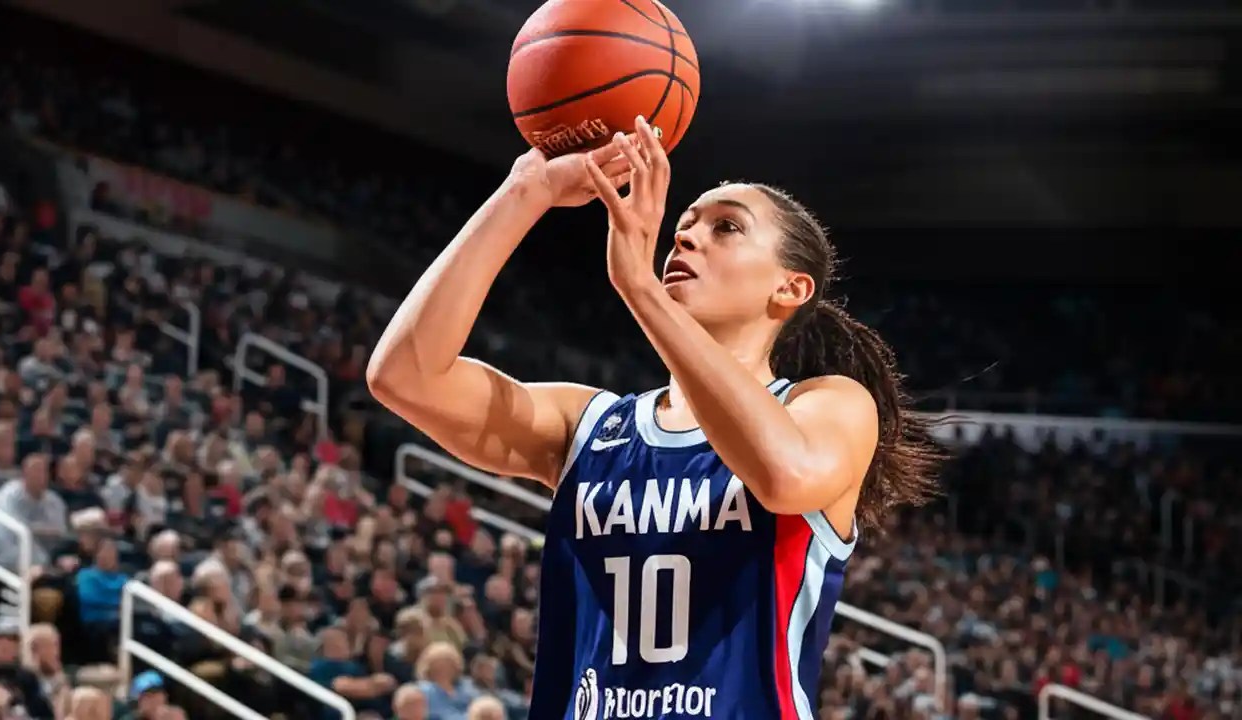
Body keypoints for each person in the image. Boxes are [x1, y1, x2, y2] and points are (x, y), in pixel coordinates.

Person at [367, 117, 943, 718]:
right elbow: (405, 375)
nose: (685, 239)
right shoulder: (589, 426)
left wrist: (640, 290)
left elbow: (785, 475)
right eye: (682, 227)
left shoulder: (830, 404)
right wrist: (523, 192)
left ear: (789, 288)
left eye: (726, 228)